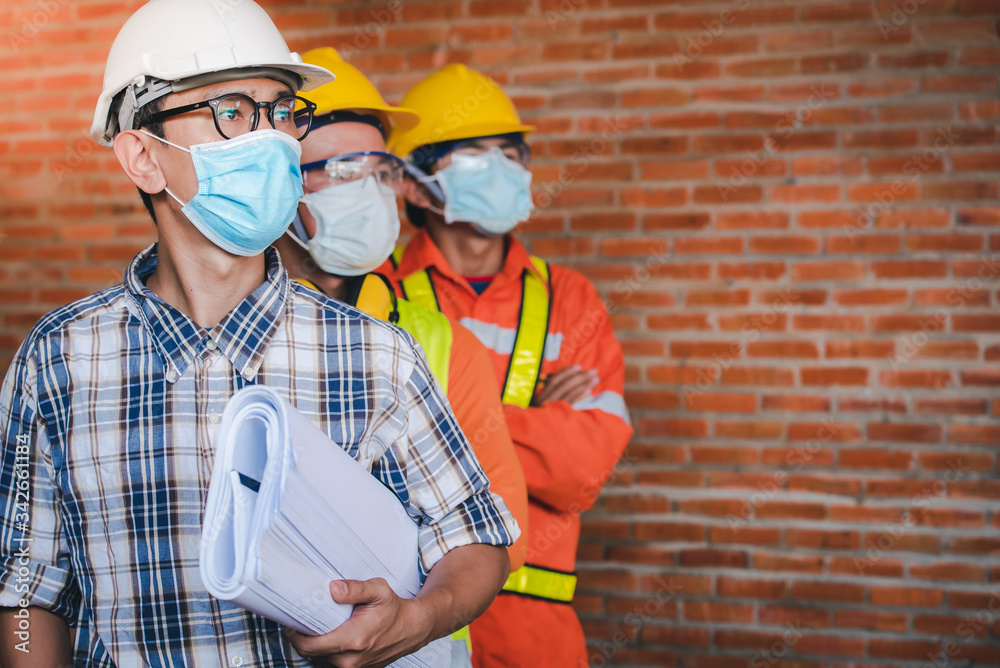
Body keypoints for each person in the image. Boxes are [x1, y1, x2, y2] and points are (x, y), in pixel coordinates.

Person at [0, 3, 516, 666]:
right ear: (143, 157)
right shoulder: (58, 358)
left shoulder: (375, 354)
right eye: (233, 112)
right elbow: (24, 593)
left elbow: (475, 539)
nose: (272, 137)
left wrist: (419, 619)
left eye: (281, 110)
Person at [270, 47, 531, 666]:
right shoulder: (221, 331)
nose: (372, 190)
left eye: (382, 170)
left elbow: (498, 537)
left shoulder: (435, 340)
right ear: (278, 182)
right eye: (342, 168)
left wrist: (412, 609)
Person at [380, 64, 634, 667]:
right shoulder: (377, 293)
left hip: (536, 638)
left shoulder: (571, 299)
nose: (502, 166)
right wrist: (529, 416)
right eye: (474, 153)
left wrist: (447, 422)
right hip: (412, 625)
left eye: (512, 152)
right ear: (416, 186)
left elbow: (583, 468)